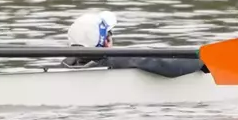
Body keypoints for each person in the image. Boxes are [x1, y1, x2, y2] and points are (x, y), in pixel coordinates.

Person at [62, 10, 205, 77]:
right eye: (110, 34)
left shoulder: (65, 66)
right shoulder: (119, 59)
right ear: (106, 41)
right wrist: (203, 61)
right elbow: (163, 64)